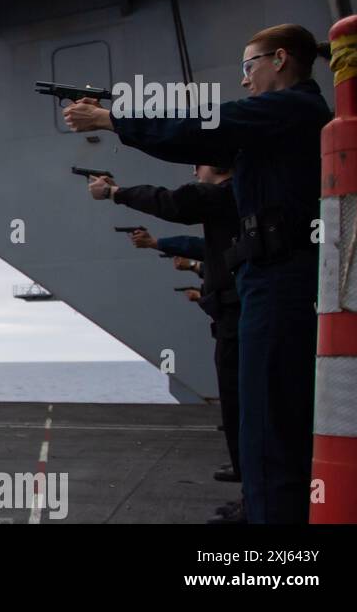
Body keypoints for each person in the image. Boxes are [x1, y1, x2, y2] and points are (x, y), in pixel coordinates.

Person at [65, 24, 331, 524]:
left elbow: (203, 130)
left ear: (279, 59)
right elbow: (197, 198)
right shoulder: (276, 132)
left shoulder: (293, 109)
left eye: (248, 67)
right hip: (263, 276)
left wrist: (111, 117)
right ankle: (264, 510)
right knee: (260, 414)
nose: (245, 80)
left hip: (280, 276)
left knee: (271, 413)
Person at [88, 164, 244, 522]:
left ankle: (256, 493)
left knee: (246, 405)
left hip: (240, 316)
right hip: (234, 314)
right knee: (242, 405)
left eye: (199, 164)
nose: (194, 171)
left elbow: (178, 207)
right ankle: (251, 485)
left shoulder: (227, 194)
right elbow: (207, 249)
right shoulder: (238, 197)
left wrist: (116, 192)